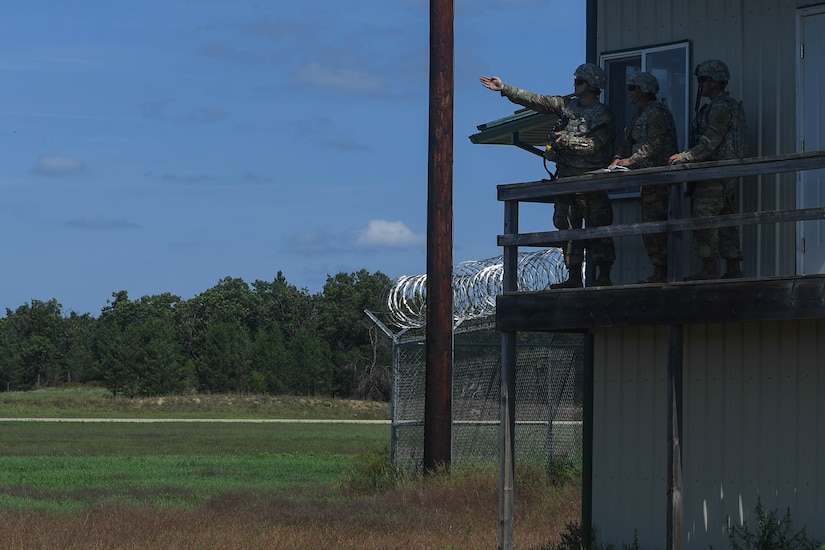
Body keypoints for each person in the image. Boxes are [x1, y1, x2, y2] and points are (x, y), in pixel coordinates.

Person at [480, 63, 616, 287]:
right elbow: (538, 100)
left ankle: (604, 276)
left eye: (579, 81)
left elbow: (594, 145)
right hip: (565, 180)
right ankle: (573, 276)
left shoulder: (603, 115)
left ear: (592, 86)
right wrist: (504, 89)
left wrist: (568, 141)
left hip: (591, 181)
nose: (574, 84)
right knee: (567, 228)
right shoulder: (567, 106)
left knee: (598, 227)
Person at [668, 59, 746, 280]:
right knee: (726, 219)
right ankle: (732, 269)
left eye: (702, 80)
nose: (700, 85)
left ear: (714, 81)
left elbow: (710, 142)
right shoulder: (717, 106)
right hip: (721, 173)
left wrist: (684, 157)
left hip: (715, 173)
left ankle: (710, 268)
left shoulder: (721, 107)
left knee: (704, 219)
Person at [609, 71, 679, 283]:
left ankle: (661, 272)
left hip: (657, 177)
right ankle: (658, 270)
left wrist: (629, 162)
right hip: (646, 179)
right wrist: (618, 158)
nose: (629, 92)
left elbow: (654, 144)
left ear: (644, 91)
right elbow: (628, 141)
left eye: (632, 88)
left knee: (654, 224)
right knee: (649, 224)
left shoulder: (657, 113)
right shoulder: (640, 114)